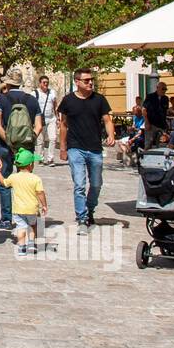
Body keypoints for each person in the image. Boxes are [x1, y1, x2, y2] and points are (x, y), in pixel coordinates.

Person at [58, 67, 115, 235]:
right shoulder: (68, 101)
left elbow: (107, 120)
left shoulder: (99, 100)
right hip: (75, 148)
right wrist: (63, 148)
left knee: (96, 184)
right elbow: (63, 125)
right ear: (77, 82)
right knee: (79, 184)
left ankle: (90, 209)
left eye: (91, 80)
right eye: (86, 80)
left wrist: (111, 134)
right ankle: (81, 217)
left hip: (95, 148)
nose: (91, 82)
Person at [0, 71, 42, 232]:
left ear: (8, 83)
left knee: (5, 181)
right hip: (26, 147)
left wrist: (8, 141)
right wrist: (30, 139)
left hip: (7, 146)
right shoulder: (32, 100)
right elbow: (39, 126)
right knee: (27, 180)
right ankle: (28, 216)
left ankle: (6, 219)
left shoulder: (2, 98)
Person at [0, 148, 47, 255]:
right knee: (33, 226)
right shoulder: (35, 178)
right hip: (32, 209)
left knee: (21, 228)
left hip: (18, 210)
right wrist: (44, 205)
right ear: (30, 165)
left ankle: (21, 247)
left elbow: (4, 183)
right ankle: (32, 245)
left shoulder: (14, 177)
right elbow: (40, 193)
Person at [34, 75, 59, 166]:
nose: (46, 84)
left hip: (51, 118)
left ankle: (50, 159)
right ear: (40, 83)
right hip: (39, 119)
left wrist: (57, 118)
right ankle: (39, 159)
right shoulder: (35, 93)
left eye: (47, 83)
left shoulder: (52, 92)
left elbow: (55, 105)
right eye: (44, 82)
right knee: (40, 140)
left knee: (53, 138)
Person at [143, 80, 170, 149]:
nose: (164, 91)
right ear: (157, 88)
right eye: (163, 89)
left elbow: (165, 111)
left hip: (162, 125)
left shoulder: (166, 98)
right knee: (148, 143)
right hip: (151, 124)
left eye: (165, 89)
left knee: (162, 145)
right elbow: (144, 110)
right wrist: (147, 122)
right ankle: (145, 157)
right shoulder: (150, 97)